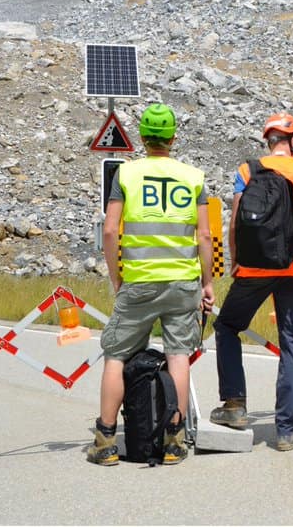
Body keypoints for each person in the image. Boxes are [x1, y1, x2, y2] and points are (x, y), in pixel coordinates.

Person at [89, 103, 215, 465]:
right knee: (178, 355)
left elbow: (111, 230)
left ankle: (106, 440)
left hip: (140, 281)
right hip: (182, 281)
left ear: (142, 138)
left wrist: (116, 275)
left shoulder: (126, 175)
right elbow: (204, 236)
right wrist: (206, 282)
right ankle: (174, 440)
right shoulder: (193, 176)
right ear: (173, 138)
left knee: (116, 354)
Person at [210, 113, 293, 452]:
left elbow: (235, 222)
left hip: (255, 267)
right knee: (292, 343)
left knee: (228, 326)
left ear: (269, 140)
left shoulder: (248, 170)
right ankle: (287, 430)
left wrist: (235, 260)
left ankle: (234, 405)